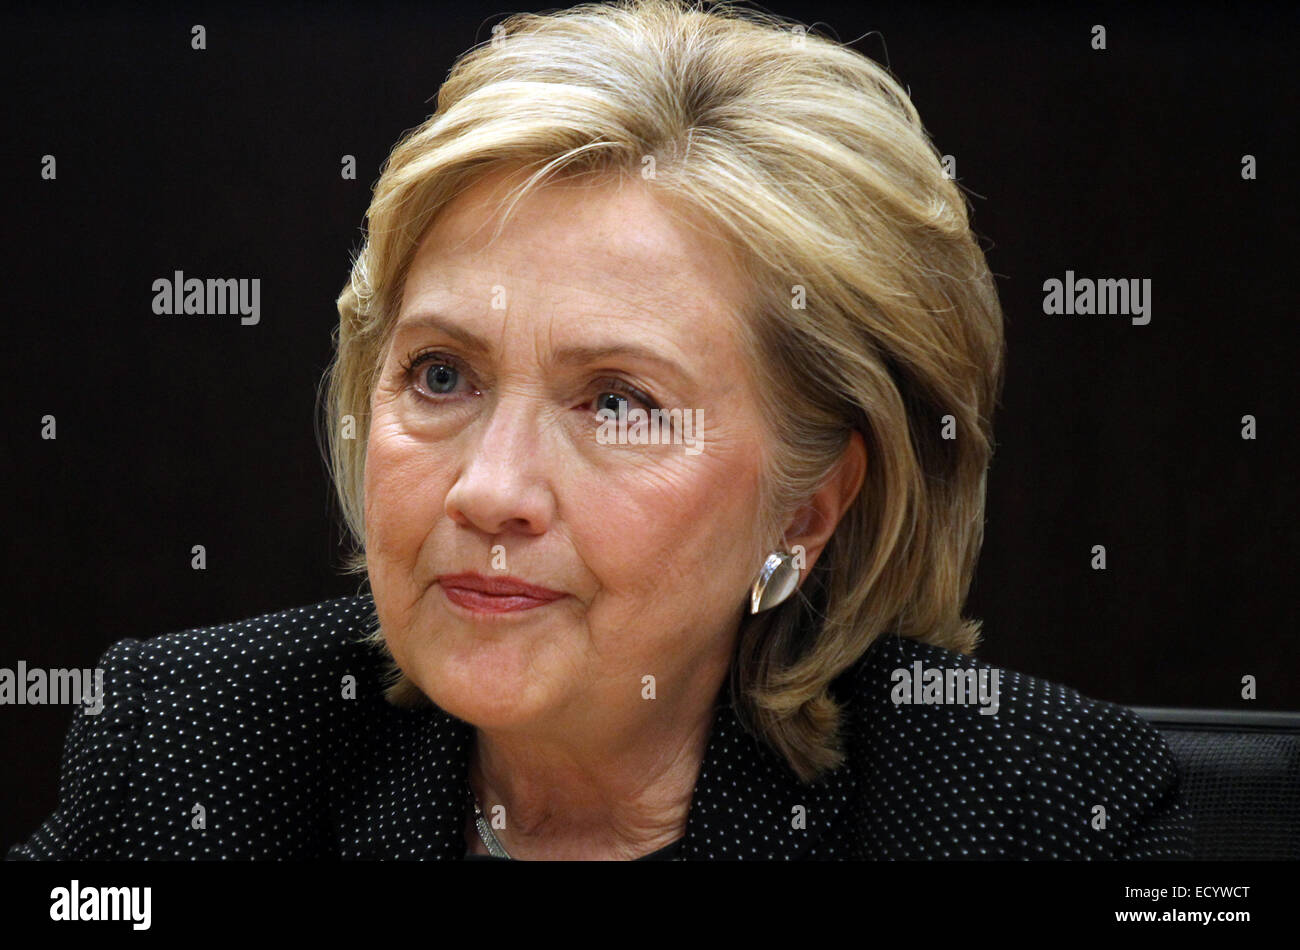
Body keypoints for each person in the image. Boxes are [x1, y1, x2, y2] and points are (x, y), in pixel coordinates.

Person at [8, 0, 1190, 860]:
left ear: (809, 505)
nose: (490, 487)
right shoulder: (197, 743)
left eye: (617, 402)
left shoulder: (1032, 810)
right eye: (438, 373)